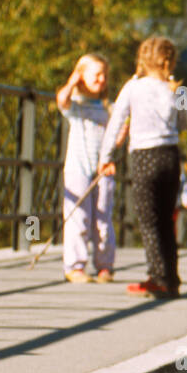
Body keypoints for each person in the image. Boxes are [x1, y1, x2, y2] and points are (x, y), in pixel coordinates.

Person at [98, 37, 187, 298]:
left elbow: (116, 121)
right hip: (170, 156)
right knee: (166, 219)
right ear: (170, 61)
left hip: (143, 157)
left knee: (148, 220)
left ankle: (157, 277)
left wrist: (105, 157)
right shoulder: (178, 89)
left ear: (141, 60)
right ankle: (171, 278)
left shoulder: (133, 87)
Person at [55, 54, 115, 283]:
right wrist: (72, 82)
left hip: (103, 169)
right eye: (96, 75)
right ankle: (75, 266)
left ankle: (104, 265)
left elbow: (117, 136)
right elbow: (61, 100)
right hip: (78, 167)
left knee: (103, 217)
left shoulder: (109, 108)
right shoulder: (76, 106)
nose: (101, 80)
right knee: (77, 216)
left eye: (104, 76)